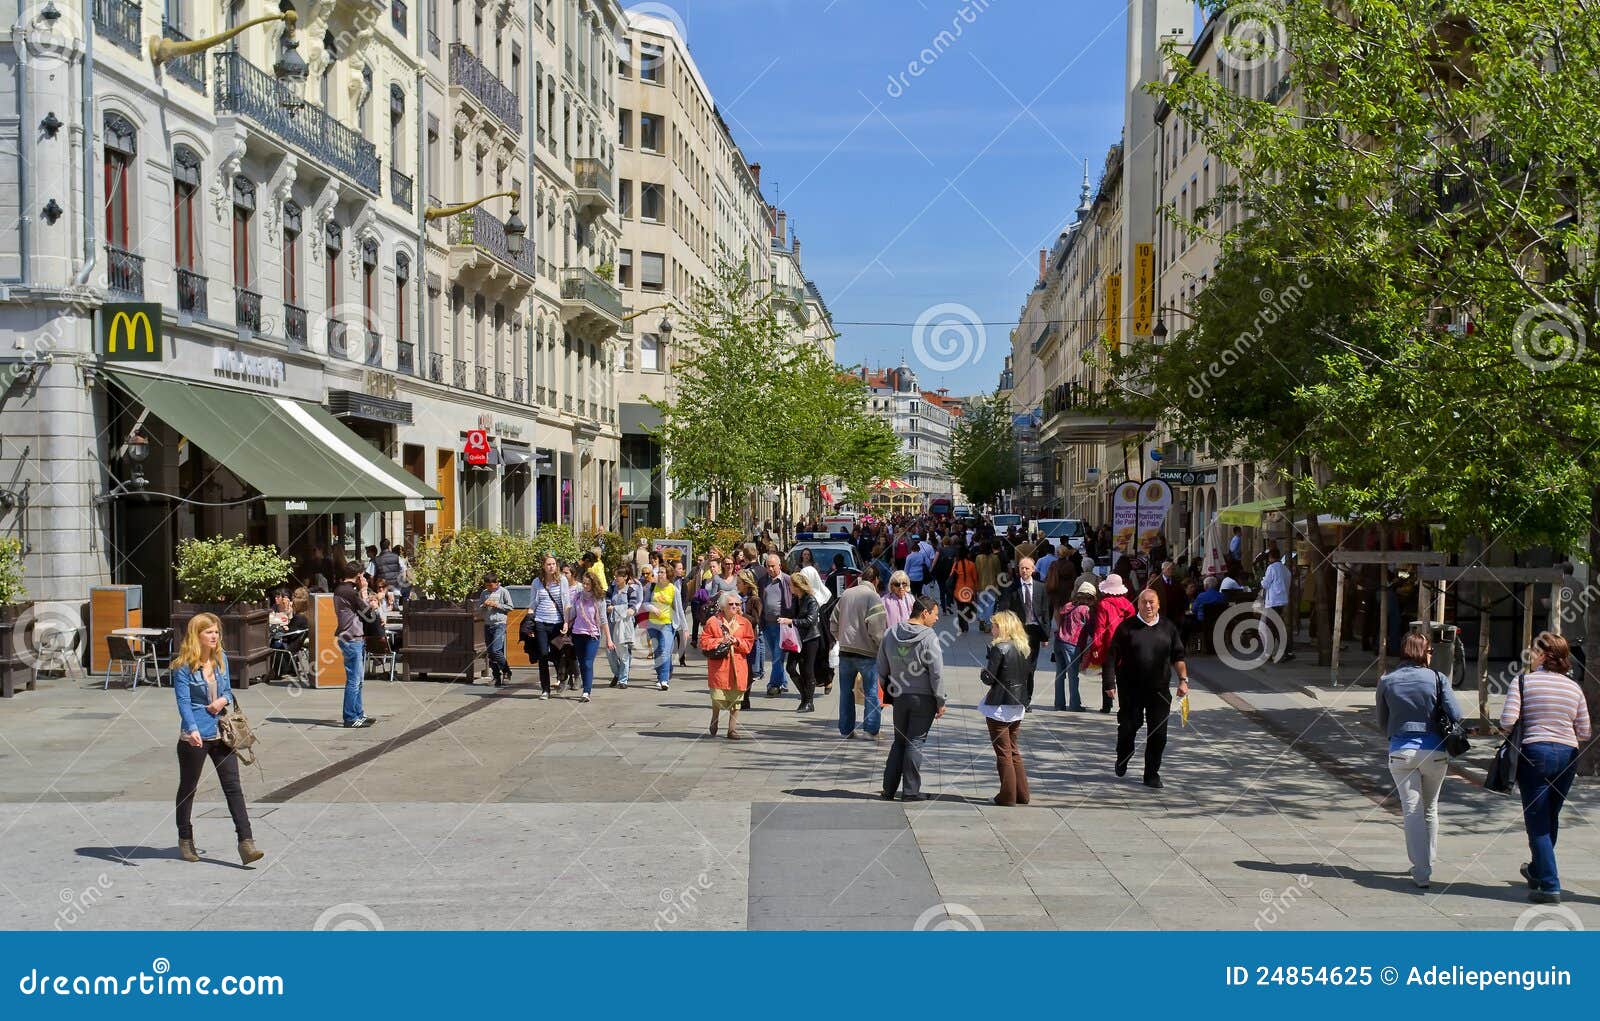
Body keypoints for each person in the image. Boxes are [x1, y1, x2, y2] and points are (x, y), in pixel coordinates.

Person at [1501, 632, 1590, 904]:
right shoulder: (1574, 687)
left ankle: (1550, 885)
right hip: (1567, 755)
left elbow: (1507, 720)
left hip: (1534, 753)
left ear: (1542, 655)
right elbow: (1584, 731)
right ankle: (1538, 870)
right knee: (1551, 816)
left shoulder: (1523, 682)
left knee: (1538, 821)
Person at [172, 613, 261, 864]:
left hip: (223, 732)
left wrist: (223, 700)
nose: (214, 636)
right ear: (196, 635)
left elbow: (228, 691)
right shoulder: (182, 666)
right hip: (196, 735)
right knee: (188, 788)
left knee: (233, 787)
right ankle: (185, 838)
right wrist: (191, 729)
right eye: (209, 632)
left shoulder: (221, 659)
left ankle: (246, 843)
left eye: (216, 632)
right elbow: (183, 702)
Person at [1375, 632, 1463, 889]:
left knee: (1411, 810)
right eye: (1430, 650)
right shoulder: (1438, 679)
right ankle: (1428, 860)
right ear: (1422, 652)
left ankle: (1421, 869)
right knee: (1430, 807)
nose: (1432, 654)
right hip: (1435, 751)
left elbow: (1382, 721)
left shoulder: (1387, 680)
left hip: (1401, 751)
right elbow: (1456, 714)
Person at [1108, 589, 1189, 788]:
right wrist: (1109, 683)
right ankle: (1124, 755)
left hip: (1159, 690)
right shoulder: (1127, 628)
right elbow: (1111, 657)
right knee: (1128, 727)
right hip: (1131, 689)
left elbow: (1178, 657)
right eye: (1144, 602)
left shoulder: (1168, 627)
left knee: (1159, 734)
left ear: (1158, 604)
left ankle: (1151, 774)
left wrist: (1183, 680)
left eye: (1152, 602)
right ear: (1138, 605)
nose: (1148, 606)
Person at [878, 597, 948, 802]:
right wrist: (940, 699)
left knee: (899, 741)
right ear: (924, 613)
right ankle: (910, 791)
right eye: (935, 613)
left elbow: (881, 666)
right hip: (923, 698)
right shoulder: (929, 637)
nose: (937, 618)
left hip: (899, 696)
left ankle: (889, 789)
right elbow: (936, 672)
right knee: (915, 741)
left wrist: (889, 688)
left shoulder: (891, 632)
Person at [980, 610, 1034, 806]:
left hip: (999, 705)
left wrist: (984, 668)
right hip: (1018, 703)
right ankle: (1022, 794)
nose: (992, 629)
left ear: (1003, 627)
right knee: (1013, 750)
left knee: (1003, 752)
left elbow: (989, 678)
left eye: (994, 625)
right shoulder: (1024, 646)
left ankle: (1007, 795)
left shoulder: (999, 648)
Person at [834, 565, 887, 739]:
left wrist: (841, 638)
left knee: (845, 691)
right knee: (871, 691)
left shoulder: (847, 594)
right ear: (876, 580)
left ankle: (846, 730)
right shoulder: (873, 597)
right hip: (867, 654)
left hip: (845, 651)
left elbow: (832, 621)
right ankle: (871, 730)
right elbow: (877, 628)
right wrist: (880, 647)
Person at [700, 592, 757, 739]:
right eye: (731, 604)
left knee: (736, 700)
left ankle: (732, 729)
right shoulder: (713, 622)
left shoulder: (745, 623)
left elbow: (749, 645)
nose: (734, 607)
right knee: (718, 697)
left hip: (738, 666)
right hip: (720, 667)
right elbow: (704, 642)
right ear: (724, 606)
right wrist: (721, 641)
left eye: (737, 604)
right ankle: (715, 719)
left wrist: (737, 642)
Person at [523, 554, 571, 700]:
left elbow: (567, 602)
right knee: (543, 655)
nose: (551, 567)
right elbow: (532, 604)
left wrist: (566, 622)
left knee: (558, 654)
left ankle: (563, 676)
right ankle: (545, 689)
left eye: (553, 564)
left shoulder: (562, 580)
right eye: (548, 564)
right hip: (540, 622)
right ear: (543, 566)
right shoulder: (537, 582)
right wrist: (528, 624)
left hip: (557, 622)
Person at [333, 563, 375, 728]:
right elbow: (368, 613)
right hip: (351, 638)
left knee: (358, 680)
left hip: (351, 637)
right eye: (363, 575)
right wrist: (364, 591)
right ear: (359, 576)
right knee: (354, 680)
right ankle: (350, 717)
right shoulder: (349, 592)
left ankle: (359, 714)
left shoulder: (341, 589)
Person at [1088, 574, 1136, 714]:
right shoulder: (1129, 605)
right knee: (1123, 675)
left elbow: (1100, 627)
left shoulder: (1104, 604)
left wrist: (1096, 646)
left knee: (1108, 674)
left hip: (1109, 642)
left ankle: (1107, 705)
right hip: (1126, 643)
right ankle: (1124, 704)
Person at [778, 570, 823, 713]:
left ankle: (808, 702)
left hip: (810, 639)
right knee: (790, 667)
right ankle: (805, 696)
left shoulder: (811, 600)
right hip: (796, 638)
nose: (789, 587)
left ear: (798, 586)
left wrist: (791, 621)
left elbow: (811, 620)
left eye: (791, 584)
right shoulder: (796, 598)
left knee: (807, 670)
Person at [1002, 556, 1049, 685]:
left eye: (1027, 568)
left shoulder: (1040, 587)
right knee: (1019, 664)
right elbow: (1006, 609)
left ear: (1033, 570)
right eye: (1021, 568)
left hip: (1034, 630)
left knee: (1031, 666)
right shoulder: (1012, 587)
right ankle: (1019, 694)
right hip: (1019, 631)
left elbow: (1045, 612)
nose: (1024, 571)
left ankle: (1027, 698)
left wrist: (1045, 636)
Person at [567, 571, 613, 703]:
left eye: (588, 584)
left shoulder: (599, 598)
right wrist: (566, 623)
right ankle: (585, 686)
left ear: (594, 584)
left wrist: (609, 639)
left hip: (593, 635)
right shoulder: (577, 596)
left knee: (588, 663)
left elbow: (603, 620)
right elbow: (573, 614)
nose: (586, 586)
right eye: (584, 583)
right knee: (582, 663)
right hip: (577, 633)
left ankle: (586, 691)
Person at [1054, 581, 1098, 711]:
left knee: (1060, 675)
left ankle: (1059, 704)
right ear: (1090, 597)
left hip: (1059, 641)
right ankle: (1074, 705)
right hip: (1072, 644)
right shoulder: (1085, 610)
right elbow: (1091, 629)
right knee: (1073, 676)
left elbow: (1059, 616)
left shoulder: (1068, 606)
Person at [758, 553, 792, 697]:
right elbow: (760, 600)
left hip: (781, 625)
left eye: (773, 566)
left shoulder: (787, 580)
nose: (770, 569)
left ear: (779, 565)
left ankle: (773, 684)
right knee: (775, 655)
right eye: (768, 566)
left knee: (778, 656)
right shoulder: (763, 581)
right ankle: (783, 681)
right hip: (767, 624)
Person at [606, 563, 641, 689]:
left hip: (625, 625)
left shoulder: (630, 590)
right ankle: (618, 673)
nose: (615, 578)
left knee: (624, 652)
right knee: (610, 653)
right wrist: (617, 609)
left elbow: (632, 607)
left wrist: (616, 609)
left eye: (618, 576)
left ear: (625, 577)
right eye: (615, 576)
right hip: (611, 623)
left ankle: (623, 680)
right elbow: (607, 603)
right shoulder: (611, 588)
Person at [646, 563, 679, 691]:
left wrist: (684, 628)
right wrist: (652, 608)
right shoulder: (652, 586)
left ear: (668, 575)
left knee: (665, 652)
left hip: (667, 623)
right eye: (658, 572)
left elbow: (679, 609)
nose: (659, 574)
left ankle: (664, 680)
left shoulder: (673, 589)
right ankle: (661, 676)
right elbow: (645, 603)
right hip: (653, 624)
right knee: (658, 652)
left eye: (662, 572)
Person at [736, 569, 763, 711]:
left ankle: (745, 698)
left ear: (746, 584)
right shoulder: (737, 598)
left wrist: (742, 614)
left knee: (748, 670)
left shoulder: (755, 600)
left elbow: (755, 621)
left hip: (750, 639)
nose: (737, 586)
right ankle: (739, 696)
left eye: (739, 583)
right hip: (737, 637)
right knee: (739, 669)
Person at [480, 573, 514, 687]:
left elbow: (510, 607)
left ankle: (506, 670)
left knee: (496, 650)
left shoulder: (503, 592)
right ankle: (496, 676)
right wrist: (484, 605)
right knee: (490, 653)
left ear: (496, 583)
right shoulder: (484, 593)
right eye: (487, 586)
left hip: (499, 624)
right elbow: (479, 608)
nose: (489, 588)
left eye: (491, 585)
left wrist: (497, 605)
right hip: (488, 623)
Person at [1261, 548, 1293, 659]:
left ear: (1271, 557)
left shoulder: (1271, 568)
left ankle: (1271, 652)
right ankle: (1285, 651)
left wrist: (1262, 580)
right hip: (1282, 600)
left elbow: (1265, 584)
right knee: (1277, 626)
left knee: (1271, 626)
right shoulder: (1285, 569)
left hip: (1273, 601)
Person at [974, 541, 1002, 631]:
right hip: (992, 585)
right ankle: (988, 623)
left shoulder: (978, 558)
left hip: (980, 584)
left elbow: (976, 572)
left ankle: (981, 619)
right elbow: (998, 572)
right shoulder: (995, 558)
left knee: (981, 603)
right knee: (990, 604)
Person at [950, 546, 979, 633]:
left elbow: (951, 576)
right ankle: (966, 622)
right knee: (967, 607)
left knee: (960, 608)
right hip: (969, 590)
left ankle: (962, 625)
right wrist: (976, 590)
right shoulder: (971, 564)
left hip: (958, 590)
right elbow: (975, 578)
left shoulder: (956, 564)